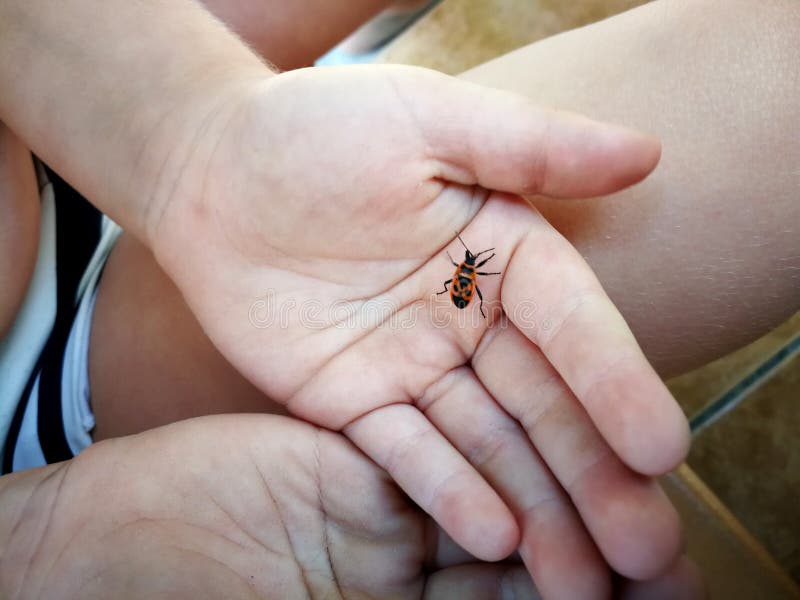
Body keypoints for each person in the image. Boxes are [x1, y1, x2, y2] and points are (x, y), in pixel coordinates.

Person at [4, 0, 796, 597]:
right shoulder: (463, 280)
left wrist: (191, 124)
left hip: (70, 114)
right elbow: (469, 283)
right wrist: (31, 548)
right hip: (56, 401)